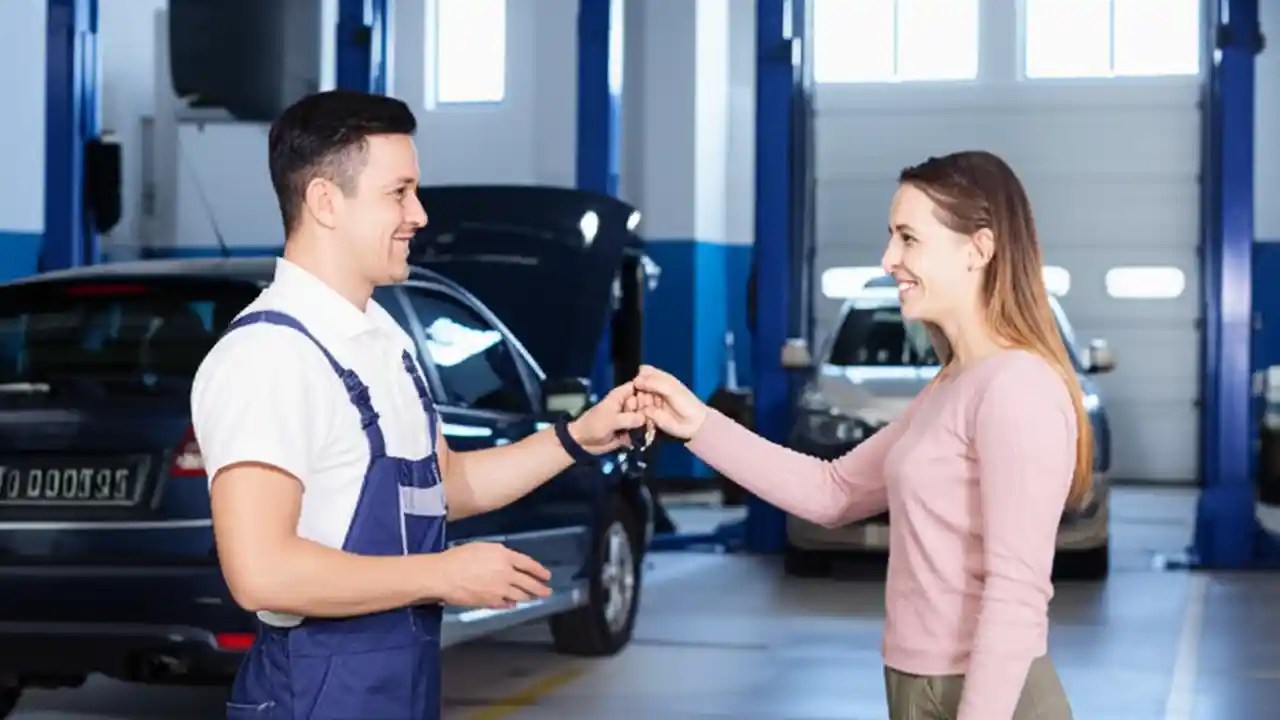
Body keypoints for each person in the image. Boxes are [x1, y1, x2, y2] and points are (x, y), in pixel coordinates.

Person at [190, 90, 647, 720]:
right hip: (312, 696)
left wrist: (577, 438)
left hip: (400, 685)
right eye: (398, 192)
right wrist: (441, 574)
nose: (420, 215)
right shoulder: (269, 357)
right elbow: (262, 571)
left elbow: (448, 485)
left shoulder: (384, 340)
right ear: (325, 201)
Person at [632, 150, 1086, 720]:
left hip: (990, 695)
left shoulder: (1016, 387)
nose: (888, 257)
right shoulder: (953, 385)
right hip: (917, 682)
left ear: (979, 249)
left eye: (908, 238)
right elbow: (833, 492)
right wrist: (697, 423)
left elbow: (1016, 596)